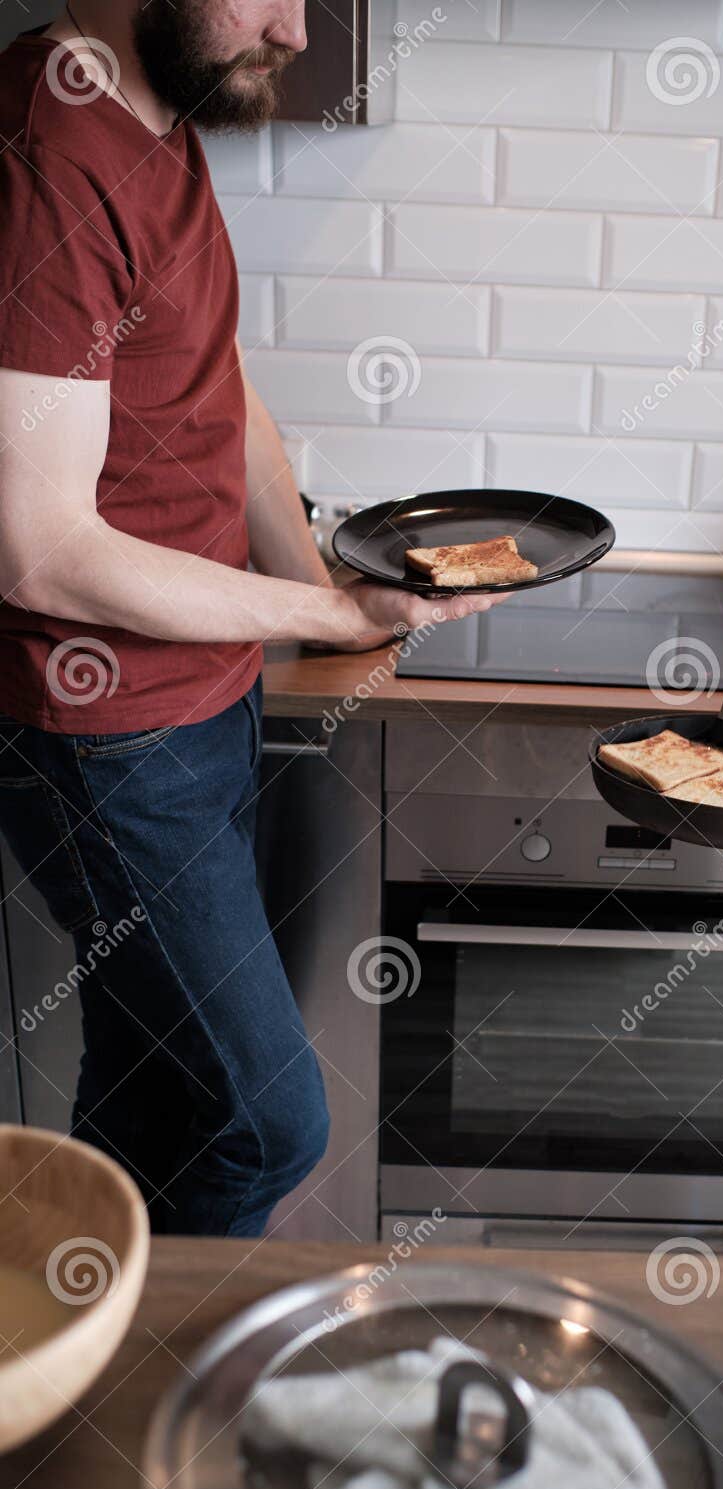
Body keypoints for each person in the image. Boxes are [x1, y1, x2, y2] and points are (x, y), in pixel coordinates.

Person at [0, 2, 498, 1236]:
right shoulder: (42, 165)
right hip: (104, 736)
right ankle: (173, 1387)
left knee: (154, 1088)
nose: (291, 24)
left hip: (201, 705)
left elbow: (217, 381)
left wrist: (327, 603)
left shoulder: (151, 113)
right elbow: (38, 550)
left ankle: (91, 1361)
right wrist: (318, 603)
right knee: (263, 1119)